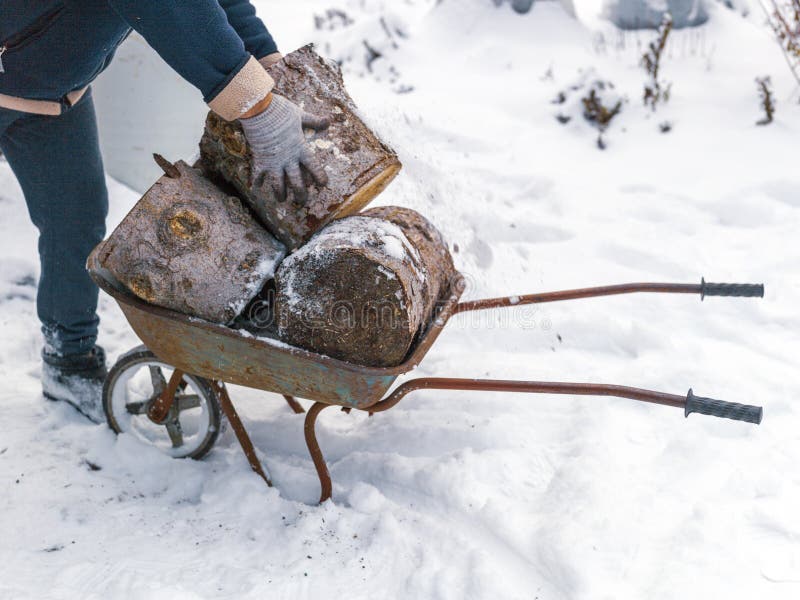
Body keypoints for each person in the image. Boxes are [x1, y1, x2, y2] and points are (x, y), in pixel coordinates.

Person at [1, 1, 329, 422]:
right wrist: (258, 108)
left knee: (76, 218)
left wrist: (271, 71)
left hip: (47, 99)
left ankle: (69, 358)